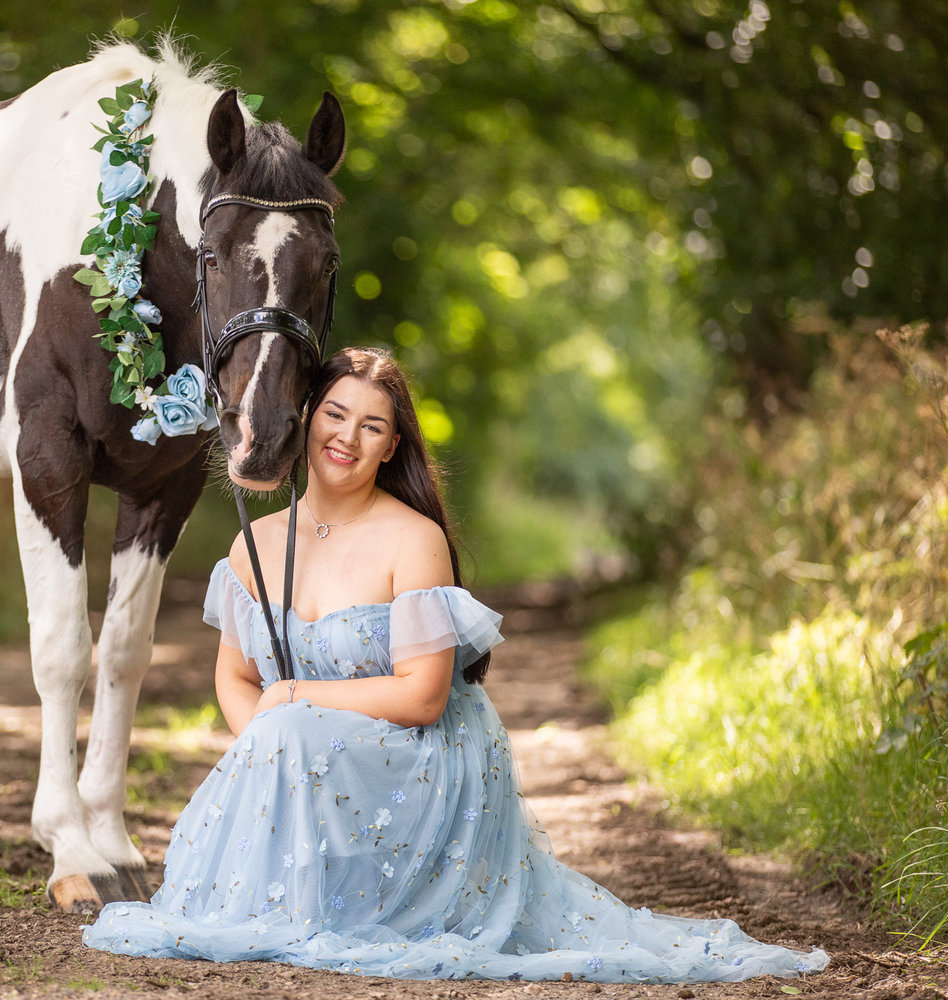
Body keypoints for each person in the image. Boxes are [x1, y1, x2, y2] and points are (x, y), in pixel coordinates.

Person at [83, 347, 829, 982]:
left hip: (424, 756)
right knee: (265, 770)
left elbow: (423, 698)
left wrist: (295, 710)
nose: (347, 436)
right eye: (335, 414)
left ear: (392, 447)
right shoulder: (253, 545)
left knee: (294, 737)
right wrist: (270, 750)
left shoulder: (413, 541)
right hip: (309, 751)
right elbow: (238, 677)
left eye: (371, 426)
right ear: (306, 418)